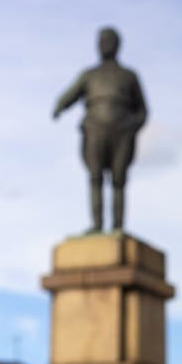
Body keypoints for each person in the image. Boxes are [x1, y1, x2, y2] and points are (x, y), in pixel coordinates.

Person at [53, 27, 147, 233]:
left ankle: (118, 227)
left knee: (118, 178)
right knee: (95, 176)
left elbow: (143, 111)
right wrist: (60, 105)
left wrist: (131, 126)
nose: (105, 44)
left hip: (122, 132)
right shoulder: (89, 75)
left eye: (109, 41)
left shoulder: (129, 76)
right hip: (94, 128)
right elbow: (71, 94)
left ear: (117, 45)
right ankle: (97, 225)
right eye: (102, 41)